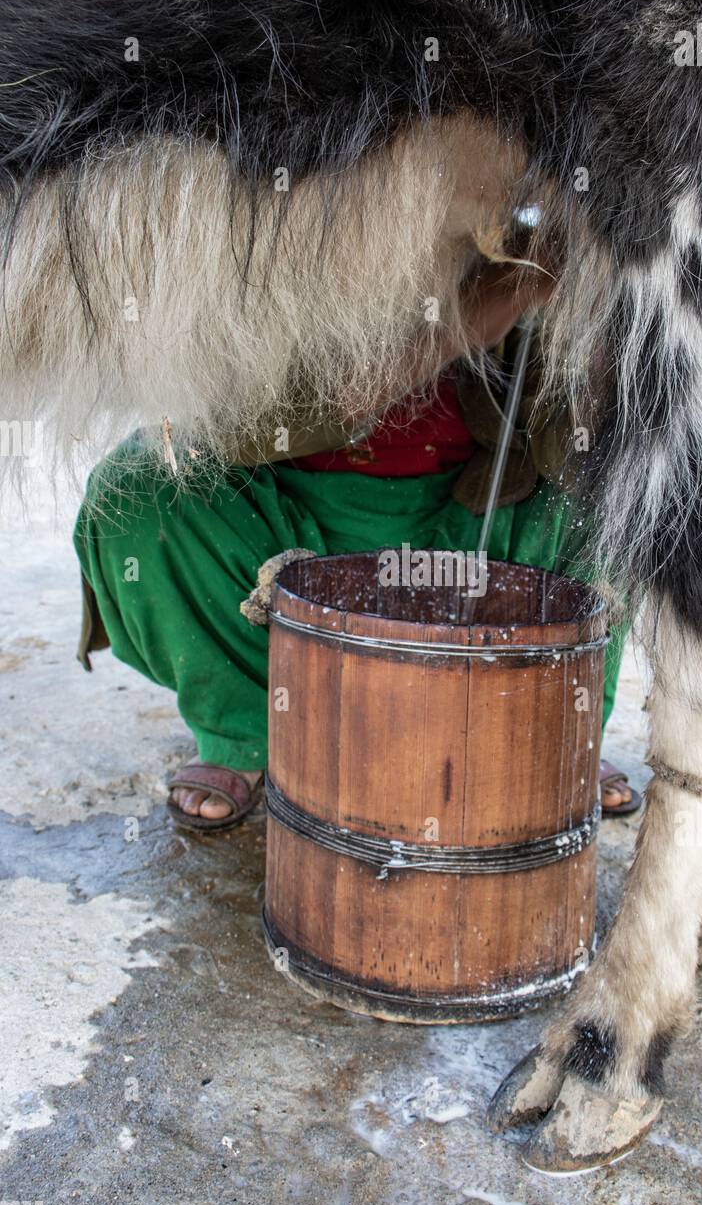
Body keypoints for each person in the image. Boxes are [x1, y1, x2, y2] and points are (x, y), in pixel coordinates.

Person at [74, 263, 640, 830]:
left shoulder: (518, 209)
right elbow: (229, 427)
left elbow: (585, 438)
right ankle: (244, 733)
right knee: (135, 490)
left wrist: (582, 304)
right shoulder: (273, 208)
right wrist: (456, 328)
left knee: (630, 490)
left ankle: (560, 735)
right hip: (281, 518)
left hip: (480, 518)